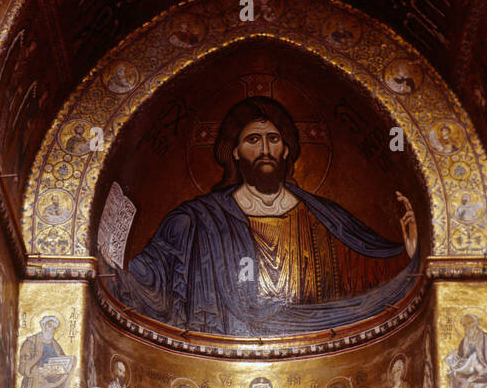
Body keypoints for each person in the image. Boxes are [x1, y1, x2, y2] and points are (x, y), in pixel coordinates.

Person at [105, 96, 417, 335]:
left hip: (318, 344)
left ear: (286, 150)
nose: (265, 149)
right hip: (217, 356)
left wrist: (409, 253)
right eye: (253, 140)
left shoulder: (323, 216)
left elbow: (370, 273)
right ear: (235, 152)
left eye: (274, 139)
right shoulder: (196, 220)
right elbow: (148, 281)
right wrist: (107, 262)